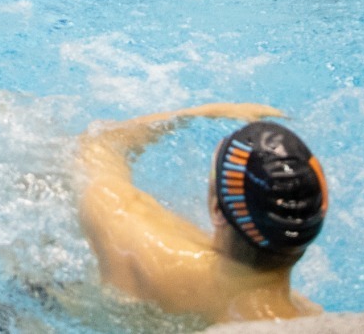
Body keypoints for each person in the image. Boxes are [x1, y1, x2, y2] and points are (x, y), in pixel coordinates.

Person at [78, 106, 327, 321]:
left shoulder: (154, 253)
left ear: (218, 210)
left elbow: (98, 145)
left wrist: (200, 113)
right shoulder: (309, 316)